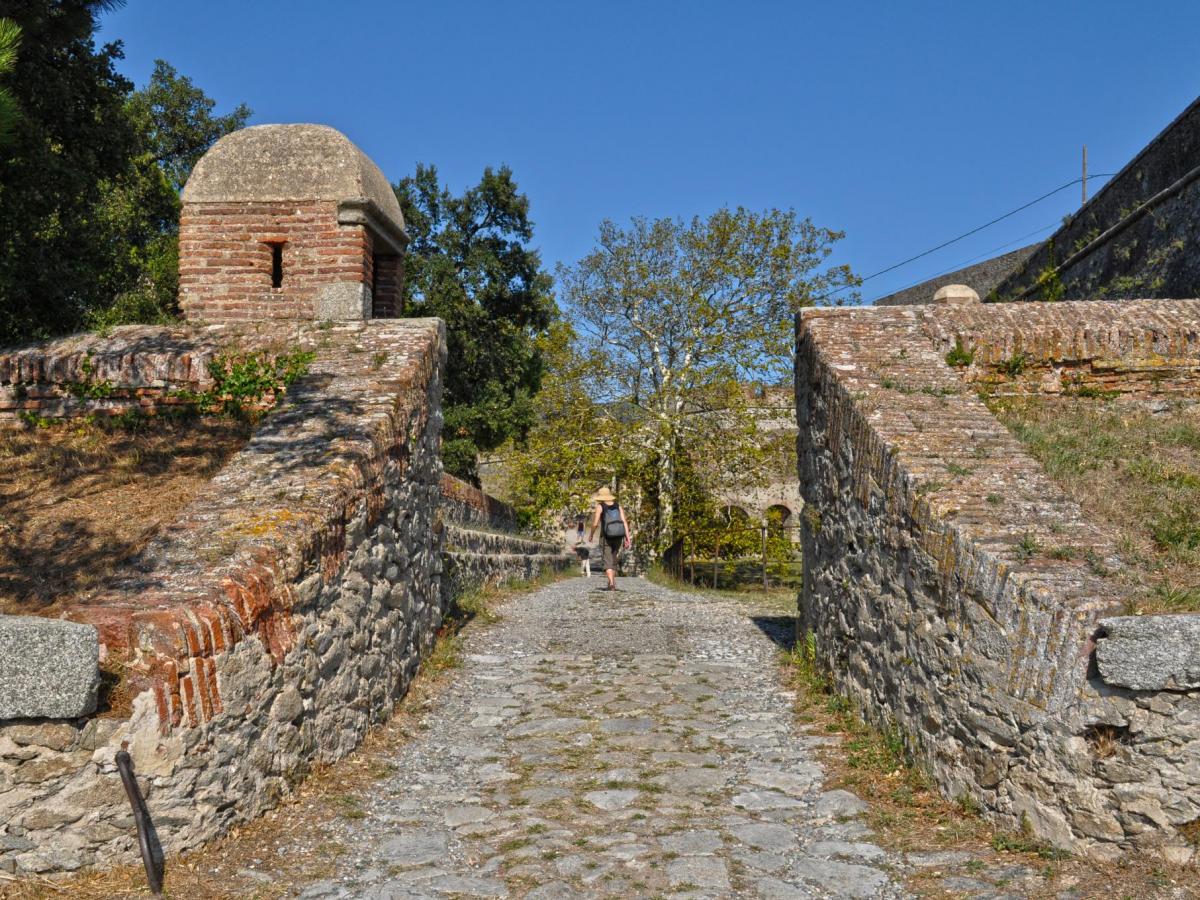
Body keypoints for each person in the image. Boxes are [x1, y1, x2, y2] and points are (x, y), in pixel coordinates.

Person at [588, 486, 631, 591]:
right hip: (618, 536)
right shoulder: (618, 506)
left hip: (606, 537)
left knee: (607, 561)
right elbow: (624, 522)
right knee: (613, 559)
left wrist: (591, 534)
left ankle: (611, 584)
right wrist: (627, 538)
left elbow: (595, 524)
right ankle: (611, 582)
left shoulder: (600, 506)